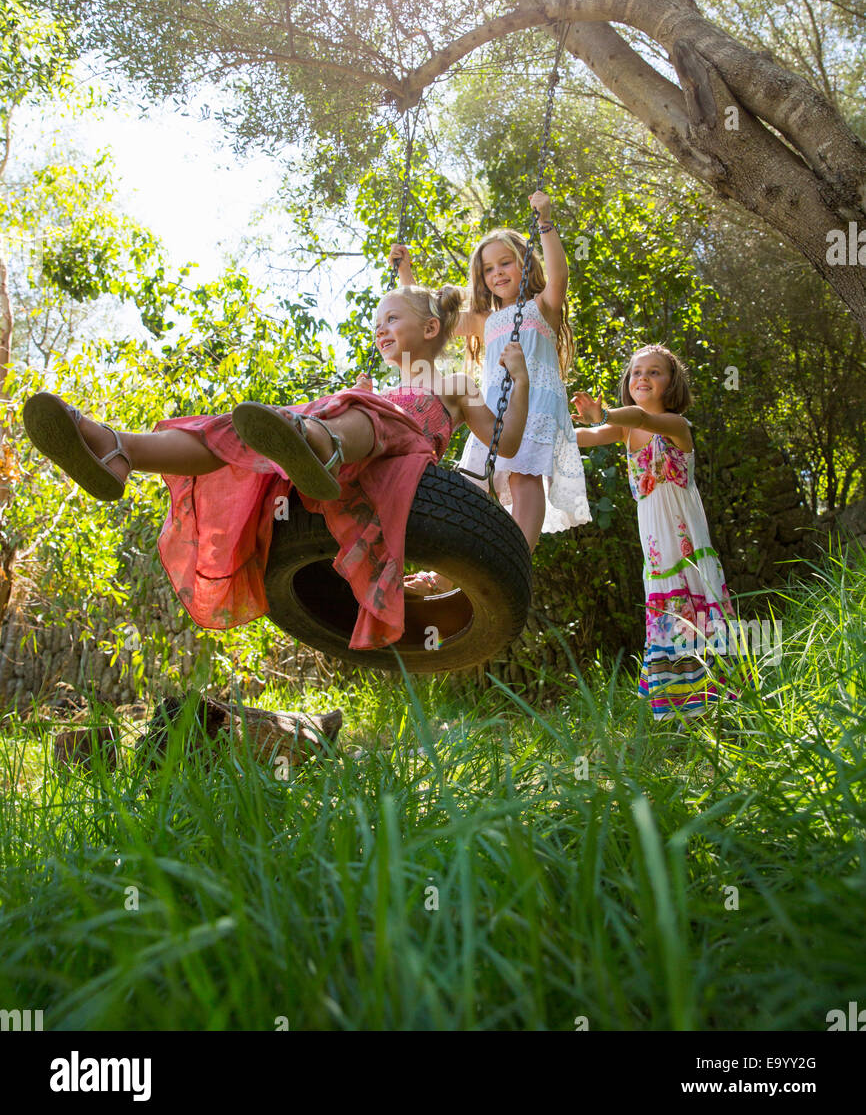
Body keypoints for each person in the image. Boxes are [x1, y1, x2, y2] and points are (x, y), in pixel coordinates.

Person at [22, 285, 529, 652]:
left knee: (363, 411)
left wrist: (520, 378)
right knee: (236, 432)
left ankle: (321, 443)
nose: (380, 330)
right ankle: (120, 449)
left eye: (392, 320)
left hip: (398, 462)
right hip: (332, 463)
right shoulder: (370, 384)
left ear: (431, 328)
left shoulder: (454, 385)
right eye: (377, 324)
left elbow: (506, 441)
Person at [391, 190, 590, 569]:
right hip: (494, 407)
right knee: (471, 486)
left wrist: (544, 221)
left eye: (506, 263)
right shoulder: (484, 320)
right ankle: (446, 576)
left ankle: (516, 560)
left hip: (534, 400)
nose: (497, 273)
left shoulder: (542, 306)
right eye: (488, 268)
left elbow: (560, 273)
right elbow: (431, 318)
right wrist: (406, 273)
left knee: (523, 477)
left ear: (524, 264)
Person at [572, 344, 752, 724]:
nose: (643, 378)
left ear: (671, 384)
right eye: (637, 372)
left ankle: (722, 701)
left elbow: (641, 417)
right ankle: (682, 708)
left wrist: (602, 412)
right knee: (668, 610)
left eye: (655, 372)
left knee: (697, 605)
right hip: (655, 545)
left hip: (685, 538)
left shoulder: (675, 424)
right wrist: (540, 436)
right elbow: (585, 437)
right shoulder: (624, 431)